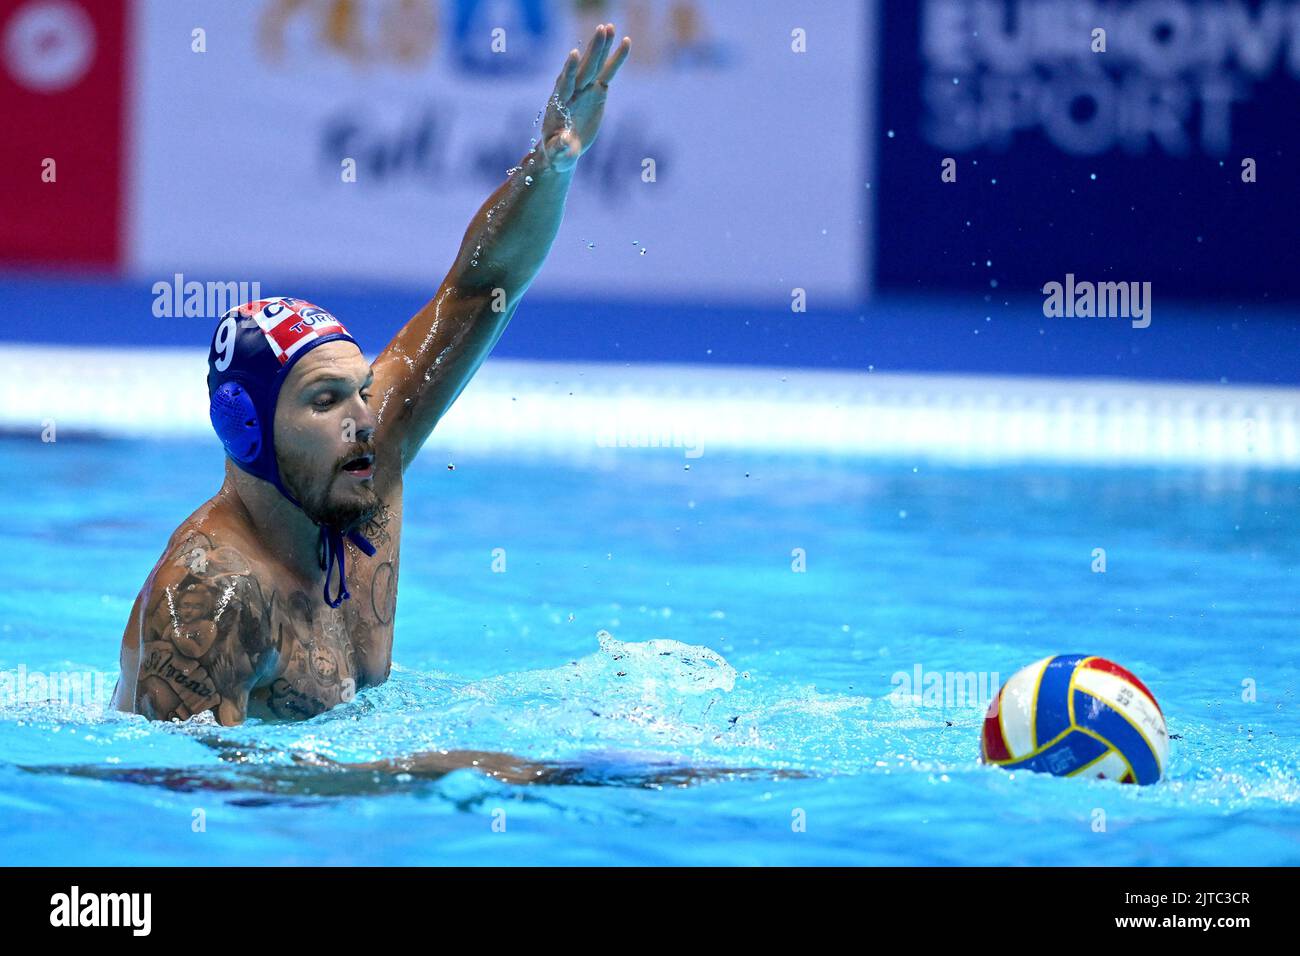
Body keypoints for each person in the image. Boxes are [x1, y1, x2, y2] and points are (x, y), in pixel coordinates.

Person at [111, 23, 632, 728]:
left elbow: (479, 291)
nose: (361, 417)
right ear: (246, 429)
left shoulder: (361, 464)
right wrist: (426, 776)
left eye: (360, 391)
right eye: (325, 400)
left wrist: (552, 166)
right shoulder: (214, 598)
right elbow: (192, 800)